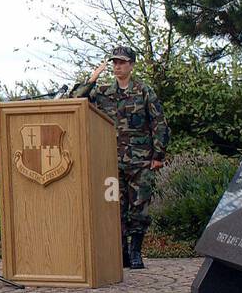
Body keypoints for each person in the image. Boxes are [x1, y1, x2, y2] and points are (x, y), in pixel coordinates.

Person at [68, 45, 169, 270]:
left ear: (131, 65)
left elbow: (159, 124)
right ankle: (120, 251)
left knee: (139, 206)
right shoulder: (104, 92)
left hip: (140, 162)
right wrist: (92, 79)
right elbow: (75, 98)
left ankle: (135, 252)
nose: (117, 66)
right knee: (114, 206)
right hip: (111, 162)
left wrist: (158, 155)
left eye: (122, 62)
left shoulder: (144, 91)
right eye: (114, 63)